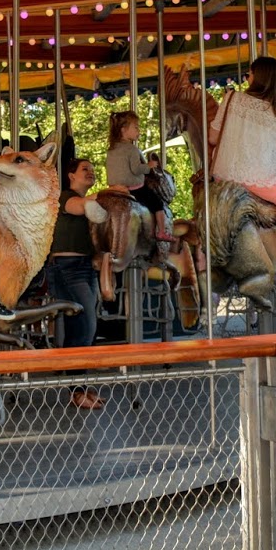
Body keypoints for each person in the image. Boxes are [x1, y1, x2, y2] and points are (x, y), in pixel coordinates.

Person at [208, 57, 276, 286]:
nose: (248, 78)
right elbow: (274, 149)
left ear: (259, 77)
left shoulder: (232, 99)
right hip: (258, 178)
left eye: (251, 74)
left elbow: (213, 138)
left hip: (224, 176)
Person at [47, 157, 109, 408]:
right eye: (85, 169)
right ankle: (76, 391)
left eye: (93, 170)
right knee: (85, 326)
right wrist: (107, 195)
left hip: (83, 266)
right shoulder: (65, 198)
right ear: (71, 175)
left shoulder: (88, 205)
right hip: (66, 268)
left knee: (85, 328)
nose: (91, 173)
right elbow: (79, 206)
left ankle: (81, 388)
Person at [106, 110, 170, 244]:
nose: (138, 131)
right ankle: (162, 232)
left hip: (113, 189)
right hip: (133, 189)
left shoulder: (111, 149)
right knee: (157, 203)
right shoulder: (132, 149)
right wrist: (149, 166)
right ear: (123, 130)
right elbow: (136, 169)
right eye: (135, 127)